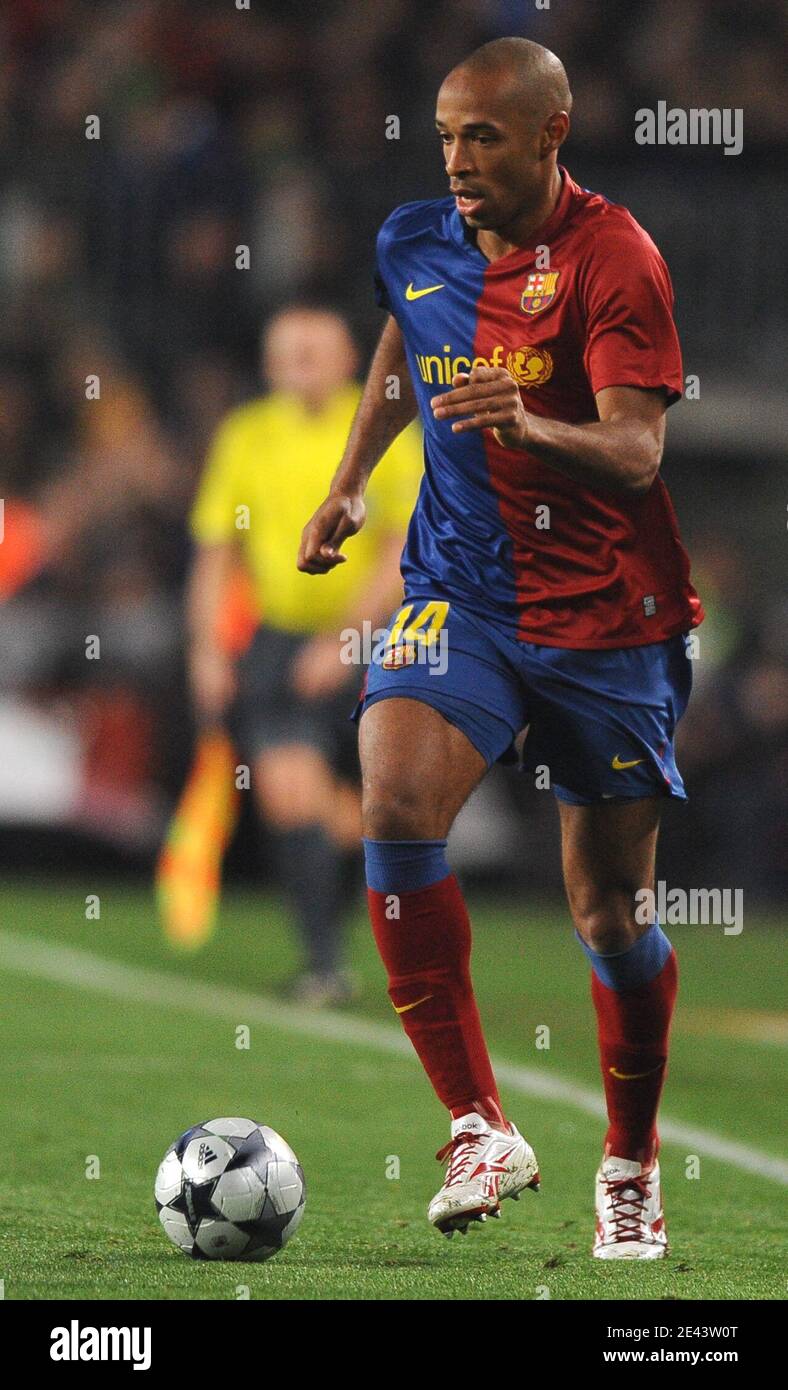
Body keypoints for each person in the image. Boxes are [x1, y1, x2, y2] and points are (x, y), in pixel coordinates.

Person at [298, 38, 703, 1255]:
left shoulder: (616, 258)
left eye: (481, 137)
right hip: (459, 590)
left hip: (607, 620)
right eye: (443, 136)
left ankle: (627, 1163)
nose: (457, 161)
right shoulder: (412, 237)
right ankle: (478, 1121)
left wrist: (525, 420)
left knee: (610, 915)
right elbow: (398, 347)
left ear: (550, 132)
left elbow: (639, 452)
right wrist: (350, 477)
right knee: (395, 800)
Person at [188, 305, 422, 1004]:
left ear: (350, 357)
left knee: (374, 813)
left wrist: (343, 639)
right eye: (286, 352)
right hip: (278, 637)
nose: (299, 364)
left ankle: (395, 945)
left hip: (381, 638)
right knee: (290, 797)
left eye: (313, 351)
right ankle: (325, 965)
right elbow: (214, 552)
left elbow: (402, 547)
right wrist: (205, 648)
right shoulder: (246, 434)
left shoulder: (381, 428)